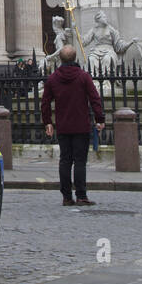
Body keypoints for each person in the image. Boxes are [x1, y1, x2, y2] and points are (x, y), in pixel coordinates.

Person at [41, 44, 105, 206]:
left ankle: (67, 197)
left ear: (60, 59)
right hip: (81, 125)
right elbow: (95, 99)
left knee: (65, 161)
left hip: (63, 125)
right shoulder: (83, 76)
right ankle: (81, 195)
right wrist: (100, 119)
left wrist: (47, 121)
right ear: (75, 58)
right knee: (80, 161)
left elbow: (45, 102)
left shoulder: (53, 78)